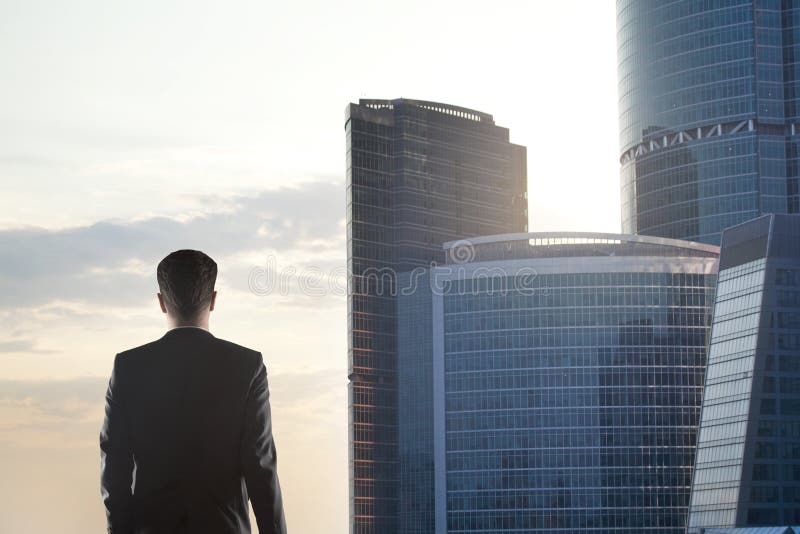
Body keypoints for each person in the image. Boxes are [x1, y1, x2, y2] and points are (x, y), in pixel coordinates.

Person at [99, 249, 286, 534]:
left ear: (161, 303)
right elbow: (261, 468)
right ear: (213, 300)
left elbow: (114, 472)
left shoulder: (128, 367)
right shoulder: (247, 365)